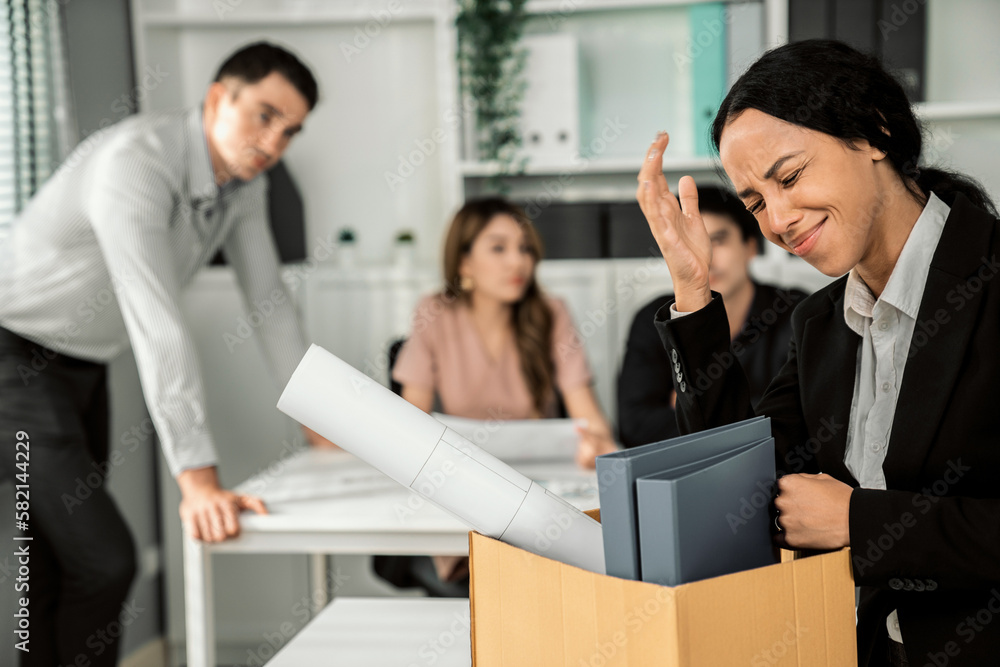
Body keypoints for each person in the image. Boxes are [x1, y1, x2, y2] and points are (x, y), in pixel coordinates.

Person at [637, 39, 1000, 667]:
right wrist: (695, 293)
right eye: (755, 202)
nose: (776, 220)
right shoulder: (822, 325)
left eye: (790, 176)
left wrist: (864, 524)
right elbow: (734, 488)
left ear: (874, 133)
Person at [0, 42, 333, 666]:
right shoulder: (136, 163)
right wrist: (199, 480)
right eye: (264, 115)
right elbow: (158, 321)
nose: (274, 141)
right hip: (12, 360)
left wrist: (321, 423)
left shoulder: (243, 185)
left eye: (289, 131)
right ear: (218, 98)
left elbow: (270, 305)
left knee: (52, 556)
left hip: (81, 363)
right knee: (102, 561)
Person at [389, 198, 618, 589]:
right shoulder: (434, 314)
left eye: (524, 248)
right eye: (498, 248)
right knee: (487, 579)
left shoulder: (551, 313)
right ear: (464, 263)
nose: (518, 262)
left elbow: (592, 423)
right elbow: (410, 429)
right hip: (460, 487)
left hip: (537, 487)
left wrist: (600, 448)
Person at [617, 184, 806, 447]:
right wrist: (746, 412)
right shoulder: (654, 319)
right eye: (689, 244)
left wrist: (687, 407)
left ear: (750, 246)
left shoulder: (795, 311)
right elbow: (634, 425)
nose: (704, 257)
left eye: (718, 240)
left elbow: (802, 422)